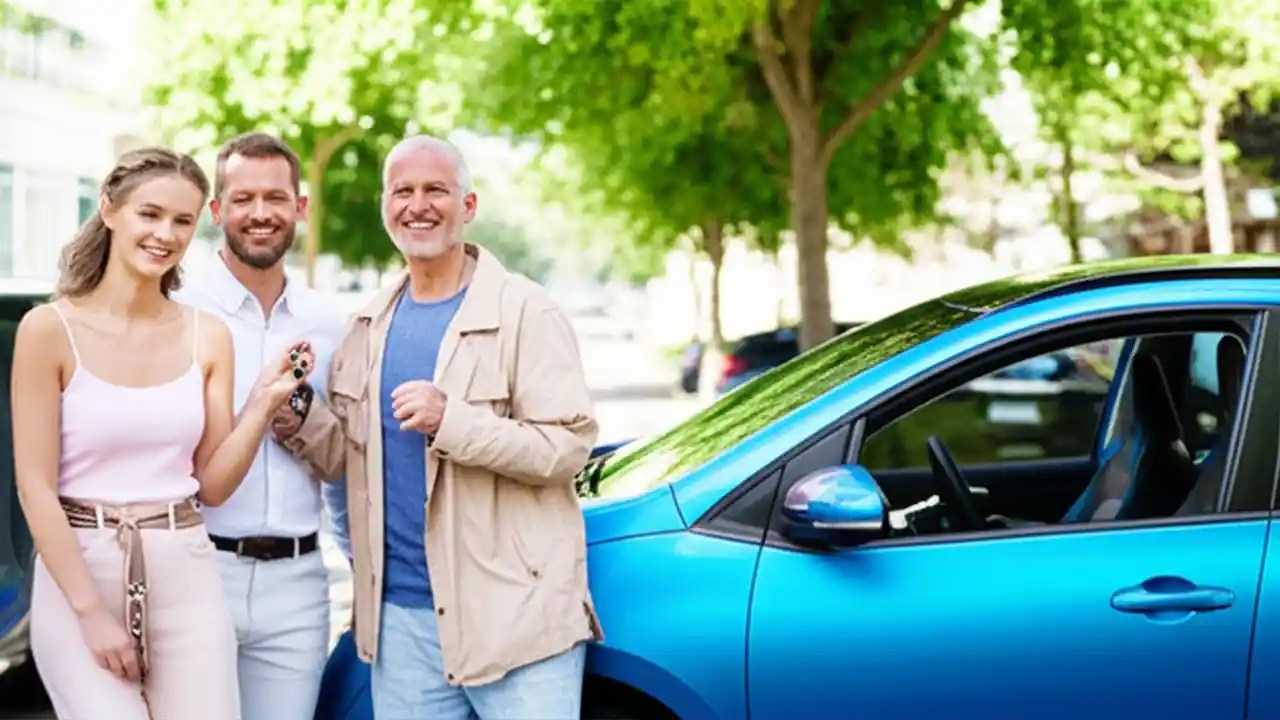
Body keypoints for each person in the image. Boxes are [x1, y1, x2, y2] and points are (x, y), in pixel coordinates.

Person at [279, 135, 602, 719]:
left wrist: (453, 421)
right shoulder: (365, 326)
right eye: (403, 191)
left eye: (436, 190)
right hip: (400, 625)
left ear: (468, 206)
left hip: (516, 623)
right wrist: (297, 416)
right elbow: (352, 460)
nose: (418, 204)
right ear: (385, 207)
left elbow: (565, 449)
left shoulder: (527, 312)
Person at [11, 147, 314, 720]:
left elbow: (214, 485)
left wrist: (262, 404)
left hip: (187, 574)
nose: (165, 234)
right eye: (149, 214)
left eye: (182, 221)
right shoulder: (47, 331)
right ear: (109, 210)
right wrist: (91, 614)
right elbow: (34, 487)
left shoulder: (207, 336)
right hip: (81, 574)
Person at [171, 132, 345, 720]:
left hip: (298, 583)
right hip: (198, 568)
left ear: (300, 207)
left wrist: (299, 417)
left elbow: (347, 459)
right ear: (216, 211)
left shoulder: (333, 324)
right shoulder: (178, 314)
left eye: (276, 198)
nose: (261, 213)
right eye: (243, 199)